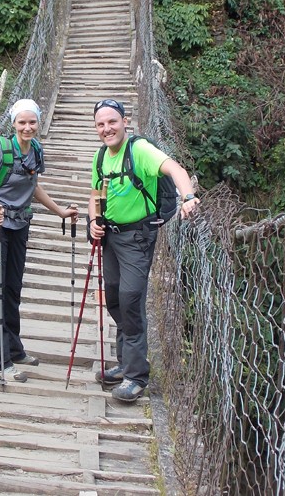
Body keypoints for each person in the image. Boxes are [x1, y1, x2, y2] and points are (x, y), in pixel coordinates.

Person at [87, 98, 199, 402]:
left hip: (138, 238)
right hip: (110, 237)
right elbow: (96, 193)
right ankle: (125, 363)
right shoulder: (100, 157)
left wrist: (187, 196)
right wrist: (94, 220)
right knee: (113, 298)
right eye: (100, 124)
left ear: (125, 121)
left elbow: (174, 169)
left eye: (112, 121)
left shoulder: (140, 150)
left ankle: (136, 377)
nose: (106, 128)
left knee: (131, 299)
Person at [0, 98, 79, 382]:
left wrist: (60, 211)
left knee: (12, 290)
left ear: (39, 122)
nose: (28, 127)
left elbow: (33, 186)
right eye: (22, 122)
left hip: (19, 225)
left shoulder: (36, 151)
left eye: (32, 122)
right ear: (14, 123)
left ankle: (14, 349)